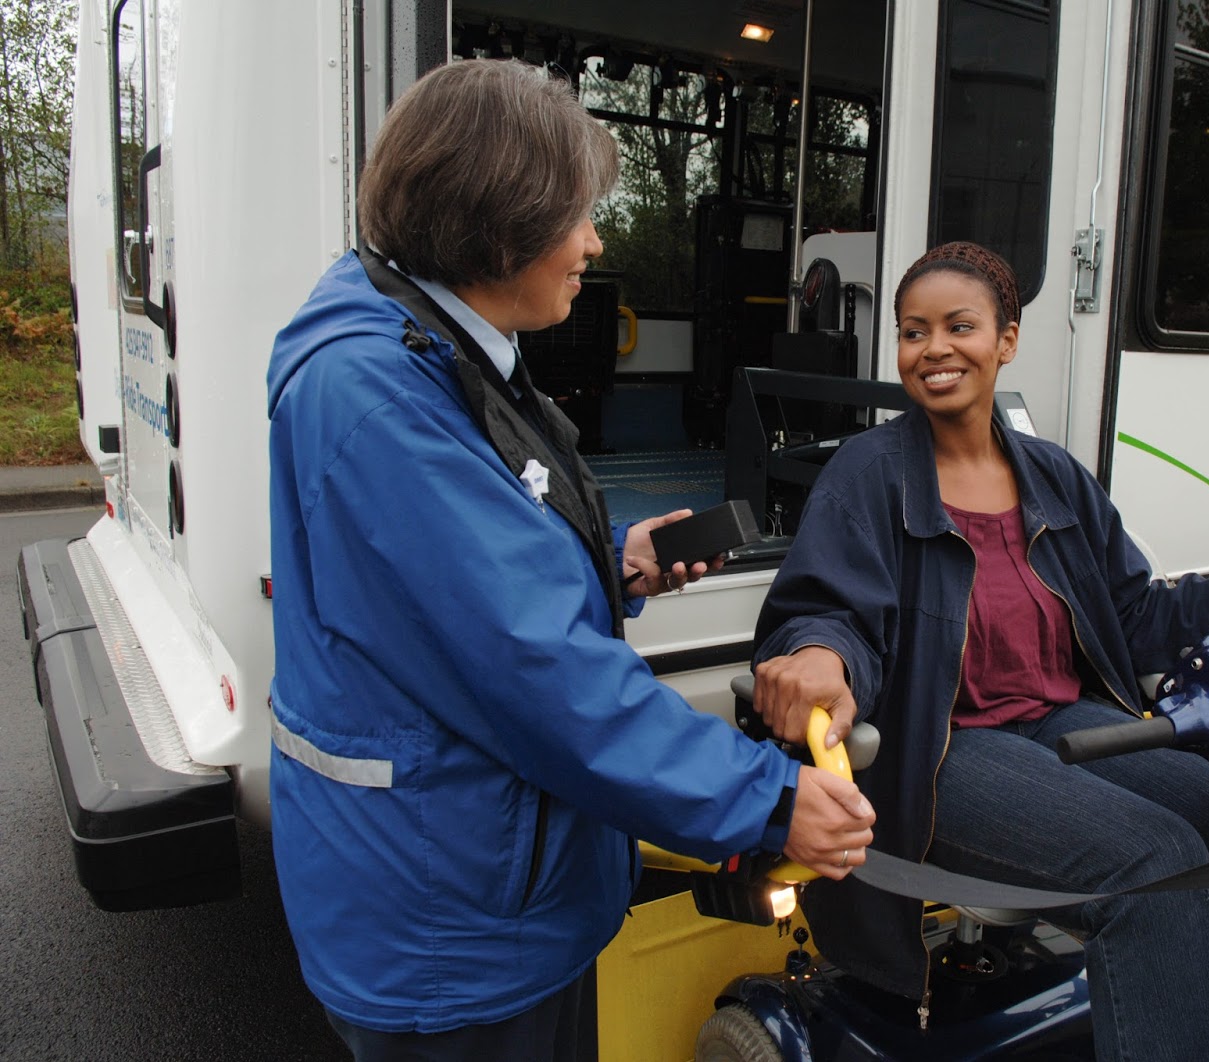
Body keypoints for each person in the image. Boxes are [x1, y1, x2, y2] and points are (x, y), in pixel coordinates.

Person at [265, 59, 874, 1061]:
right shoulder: (381, 395)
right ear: (497, 223)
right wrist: (767, 801)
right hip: (453, 929)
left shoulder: (431, 348)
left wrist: (616, 561)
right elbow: (533, 668)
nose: (594, 243)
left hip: (484, 890)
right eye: (578, 217)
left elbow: (461, 585)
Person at [752, 241, 1209, 1062]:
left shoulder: (1055, 477)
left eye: (959, 327)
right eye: (912, 331)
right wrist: (821, 655)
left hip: (1065, 730)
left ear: (1006, 340)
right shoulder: (868, 473)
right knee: (1155, 862)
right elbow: (828, 613)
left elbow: (1141, 616)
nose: (933, 348)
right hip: (944, 752)